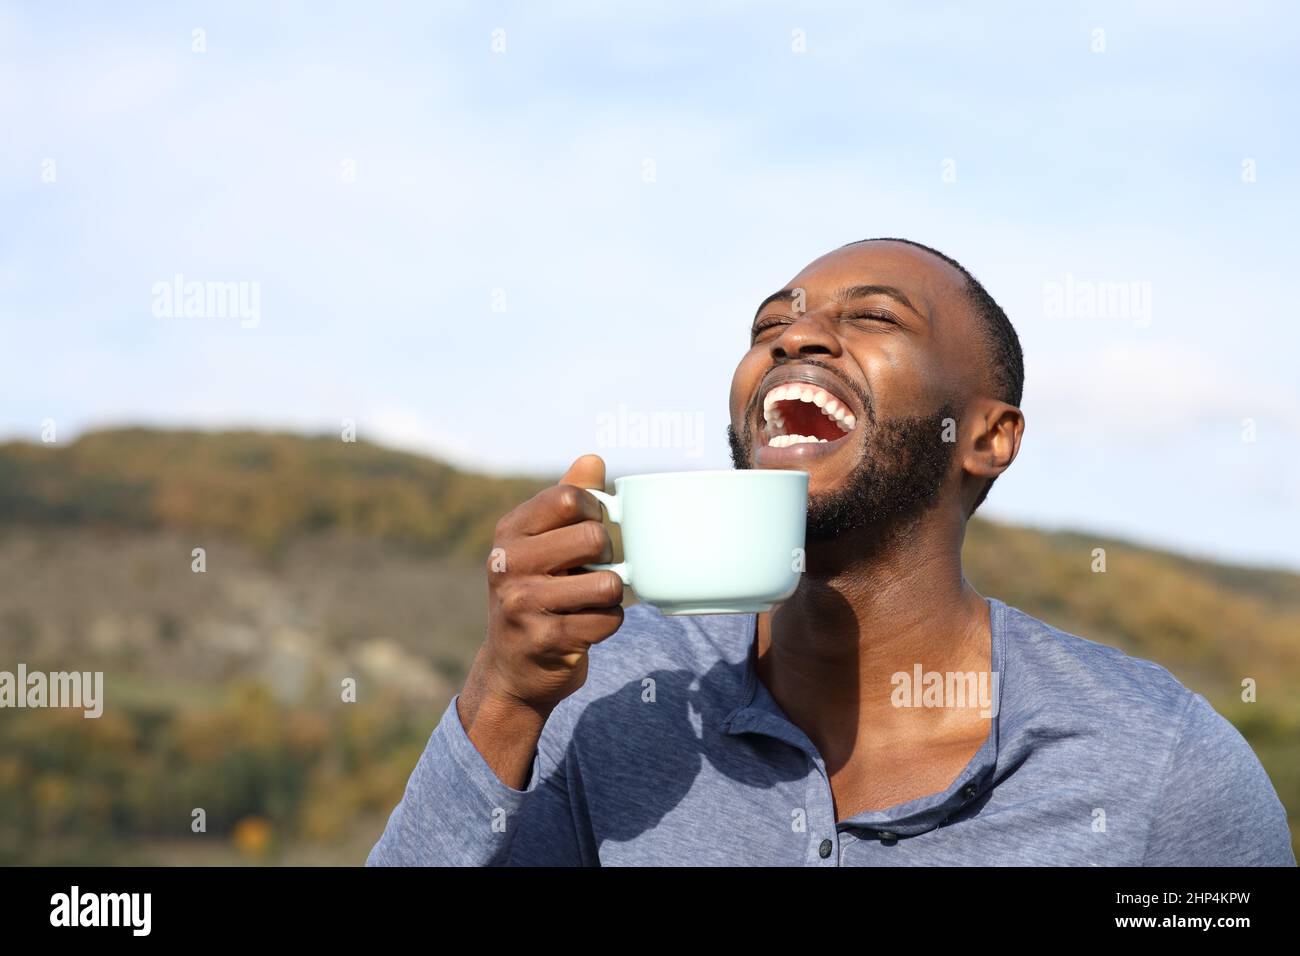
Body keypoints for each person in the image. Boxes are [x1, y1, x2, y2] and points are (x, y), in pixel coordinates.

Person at [366, 238, 1295, 866]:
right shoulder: (609, 695)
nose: (795, 338)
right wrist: (501, 697)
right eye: (769, 327)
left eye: (877, 318)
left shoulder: (1158, 765)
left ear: (989, 437)